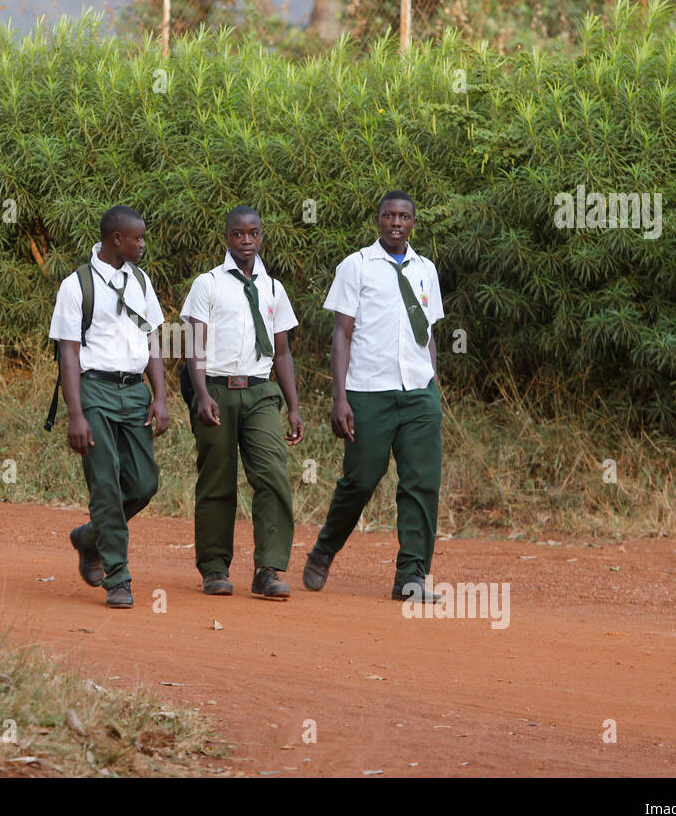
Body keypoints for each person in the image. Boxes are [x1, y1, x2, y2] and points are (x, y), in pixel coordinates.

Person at [302, 190, 446, 602]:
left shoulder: (426, 270)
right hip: (368, 392)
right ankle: (324, 549)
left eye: (403, 216)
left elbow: (429, 334)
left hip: (419, 393)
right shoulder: (356, 266)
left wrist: (432, 384)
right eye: (388, 216)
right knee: (361, 479)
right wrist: (340, 398)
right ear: (377, 220)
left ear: (413, 223)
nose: (396, 223)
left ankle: (411, 577)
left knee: (422, 483)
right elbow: (341, 334)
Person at [180, 205, 304, 599]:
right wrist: (200, 395)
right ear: (227, 237)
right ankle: (215, 567)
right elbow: (193, 346)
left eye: (253, 234)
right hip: (216, 389)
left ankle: (269, 568)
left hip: (261, 392)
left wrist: (294, 405)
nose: (246, 241)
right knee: (217, 480)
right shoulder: (208, 284)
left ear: (261, 236)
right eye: (238, 234)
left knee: (272, 475)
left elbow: (282, 353)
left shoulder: (273, 288)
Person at [49, 205, 170, 609]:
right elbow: (68, 354)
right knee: (105, 485)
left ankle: (88, 537)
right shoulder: (76, 285)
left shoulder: (140, 280)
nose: (142, 245)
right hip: (95, 392)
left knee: (143, 482)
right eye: (138, 238)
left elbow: (153, 339)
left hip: (134, 393)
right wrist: (75, 414)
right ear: (116, 239)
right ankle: (118, 578)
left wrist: (161, 397)